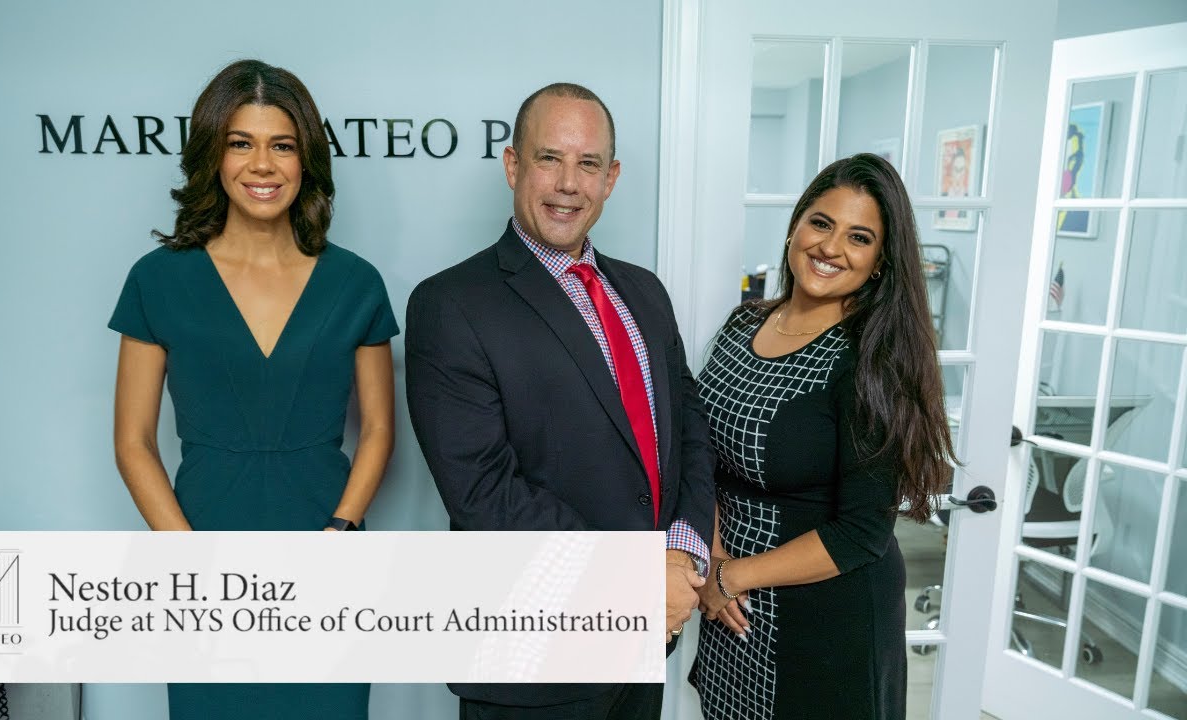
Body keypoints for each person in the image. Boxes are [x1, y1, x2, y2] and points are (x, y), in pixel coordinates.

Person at [404, 82, 716, 719]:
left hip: (641, 650)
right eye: (549, 158)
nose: (568, 183)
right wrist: (635, 580)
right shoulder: (450, 304)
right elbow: (483, 493)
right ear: (513, 164)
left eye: (588, 163)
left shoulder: (645, 293)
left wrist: (683, 551)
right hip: (530, 659)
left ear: (611, 178)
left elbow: (687, 429)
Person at [109, 59, 397, 720]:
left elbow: (380, 430)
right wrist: (190, 564)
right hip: (202, 549)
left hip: (327, 555)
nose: (262, 164)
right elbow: (132, 441)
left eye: (282, 145)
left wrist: (341, 532)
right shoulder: (157, 279)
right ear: (213, 154)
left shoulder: (355, 282)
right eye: (241, 143)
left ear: (306, 159)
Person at [690, 153, 955, 719]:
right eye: (821, 223)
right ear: (795, 227)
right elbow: (700, 453)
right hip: (733, 603)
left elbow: (861, 532)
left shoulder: (871, 363)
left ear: (880, 262)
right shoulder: (743, 324)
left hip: (826, 618)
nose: (831, 247)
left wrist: (732, 575)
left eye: (859, 237)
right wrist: (711, 556)